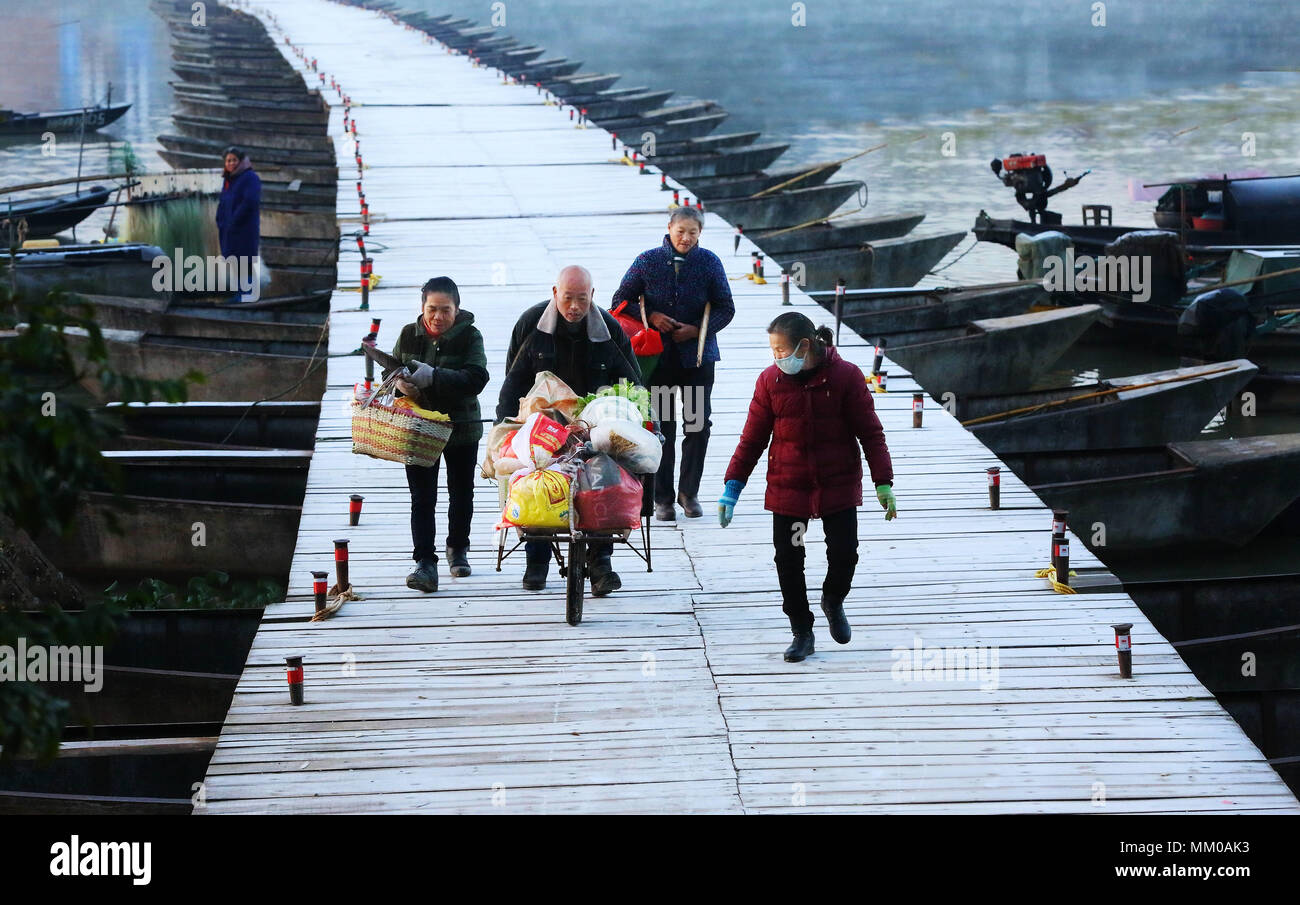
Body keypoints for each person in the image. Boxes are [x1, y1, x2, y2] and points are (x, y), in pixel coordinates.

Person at [718, 312, 897, 663]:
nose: (776, 358)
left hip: (837, 484)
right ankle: (802, 630)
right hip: (790, 486)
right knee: (789, 559)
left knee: (844, 553)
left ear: (804, 345)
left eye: (780, 350)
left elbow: (871, 434)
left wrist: (883, 482)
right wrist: (732, 486)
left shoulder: (845, 377)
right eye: (772, 351)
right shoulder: (770, 382)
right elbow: (752, 439)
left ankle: (833, 598)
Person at [497, 265, 644, 595]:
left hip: (595, 426)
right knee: (534, 482)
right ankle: (536, 560)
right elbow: (513, 383)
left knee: (604, 479)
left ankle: (601, 563)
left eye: (581, 299)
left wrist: (645, 425)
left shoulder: (608, 328)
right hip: (544, 427)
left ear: (592, 296)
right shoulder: (531, 325)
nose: (574, 306)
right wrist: (504, 427)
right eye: (567, 298)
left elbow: (634, 382)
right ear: (554, 293)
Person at [612, 206, 734, 521]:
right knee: (662, 426)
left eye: (693, 232)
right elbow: (620, 303)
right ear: (669, 228)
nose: (686, 238)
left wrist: (697, 331)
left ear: (700, 233)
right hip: (660, 361)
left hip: (695, 360)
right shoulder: (648, 261)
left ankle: (688, 493)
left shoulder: (709, 263)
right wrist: (651, 317)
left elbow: (725, 307)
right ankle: (662, 498)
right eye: (681, 231)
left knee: (697, 424)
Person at [390, 277, 489, 593]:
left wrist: (433, 377)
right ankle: (424, 562)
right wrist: (398, 384)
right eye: (432, 309)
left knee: (461, 492)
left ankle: (458, 549)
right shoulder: (409, 334)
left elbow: (476, 379)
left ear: (456, 309)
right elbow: (390, 370)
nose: (438, 316)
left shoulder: (471, 336)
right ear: (423, 308)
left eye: (445, 310)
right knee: (422, 497)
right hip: (418, 428)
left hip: (462, 427)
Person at [215, 147, 262, 298]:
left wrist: (234, 221)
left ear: (241, 161)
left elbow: (250, 201)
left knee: (245, 265)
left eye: (234, 160)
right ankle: (240, 296)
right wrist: (220, 220)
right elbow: (223, 202)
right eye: (228, 160)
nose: (231, 163)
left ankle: (247, 298)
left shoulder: (250, 177)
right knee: (235, 265)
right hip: (230, 232)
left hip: (244, 231)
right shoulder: (229, 179)